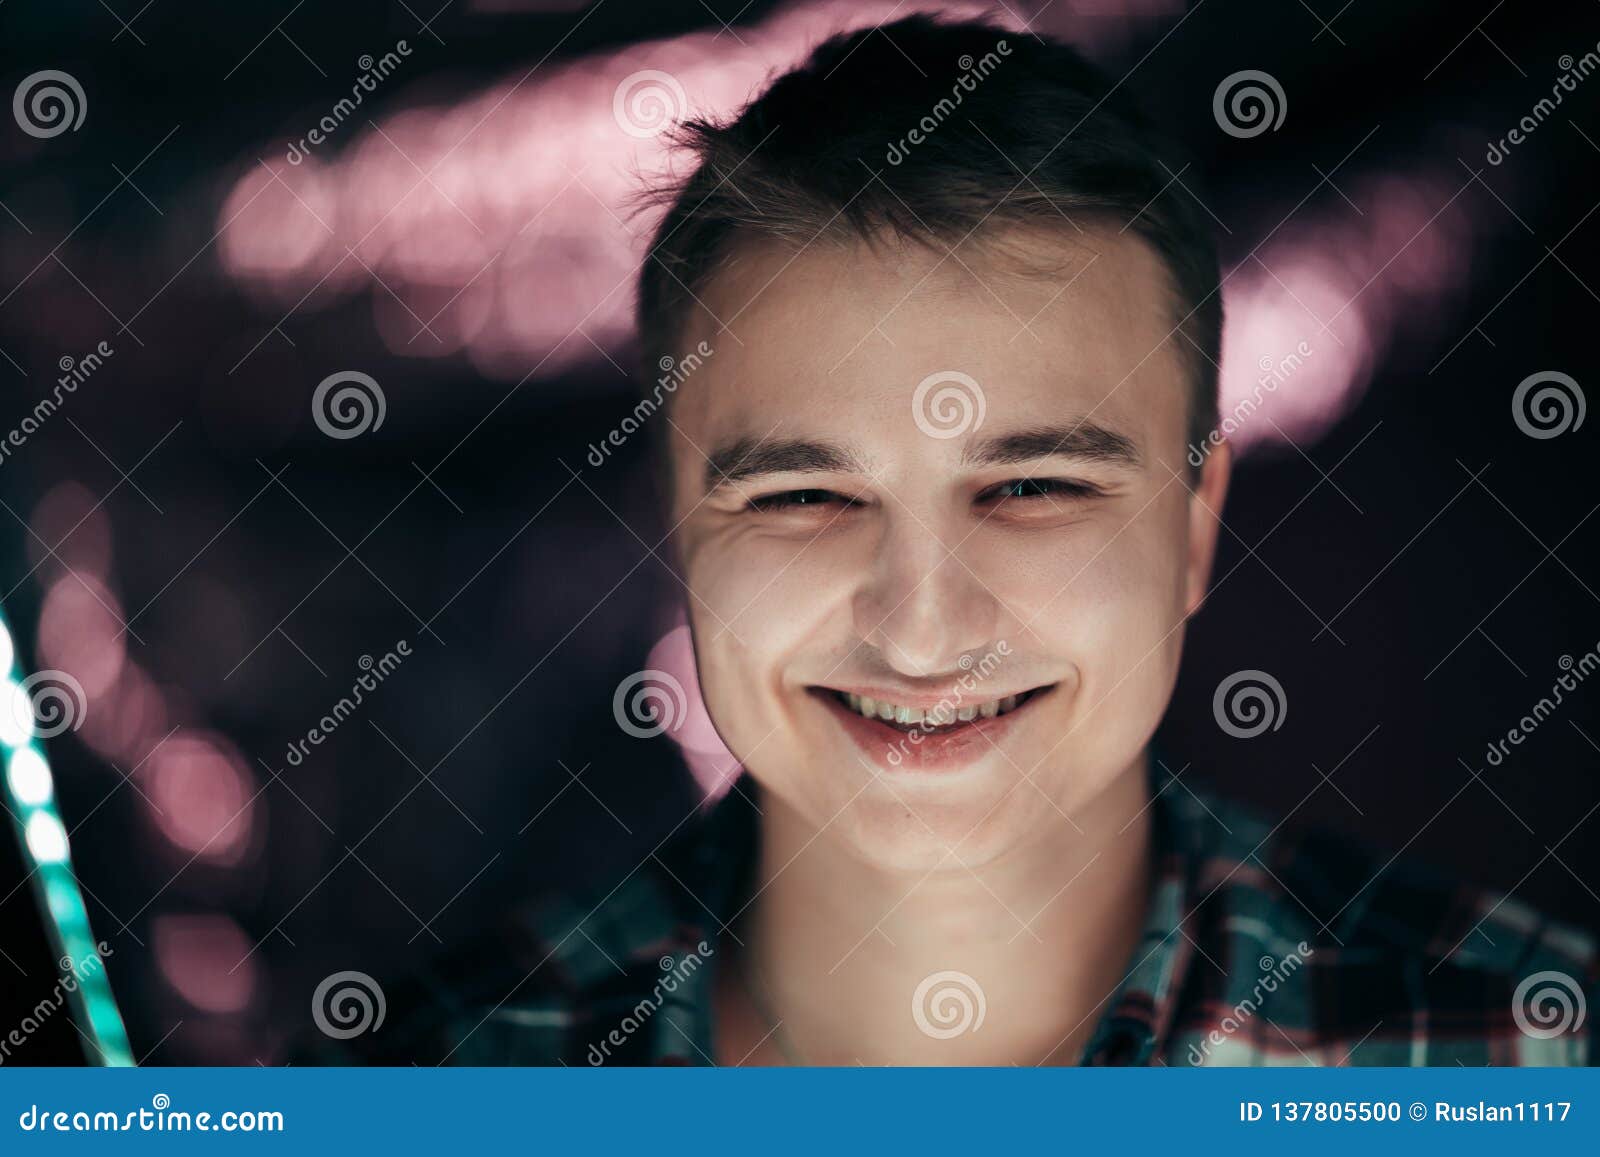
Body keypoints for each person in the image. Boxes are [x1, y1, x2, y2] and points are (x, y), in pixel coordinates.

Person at [310, 13, 1595, 1067]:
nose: (921, 628)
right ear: (678, 528)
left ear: (1195, 525)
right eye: (804, 497)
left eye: (1033, 488)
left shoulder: (1525, 1056)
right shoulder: (421, 1075)